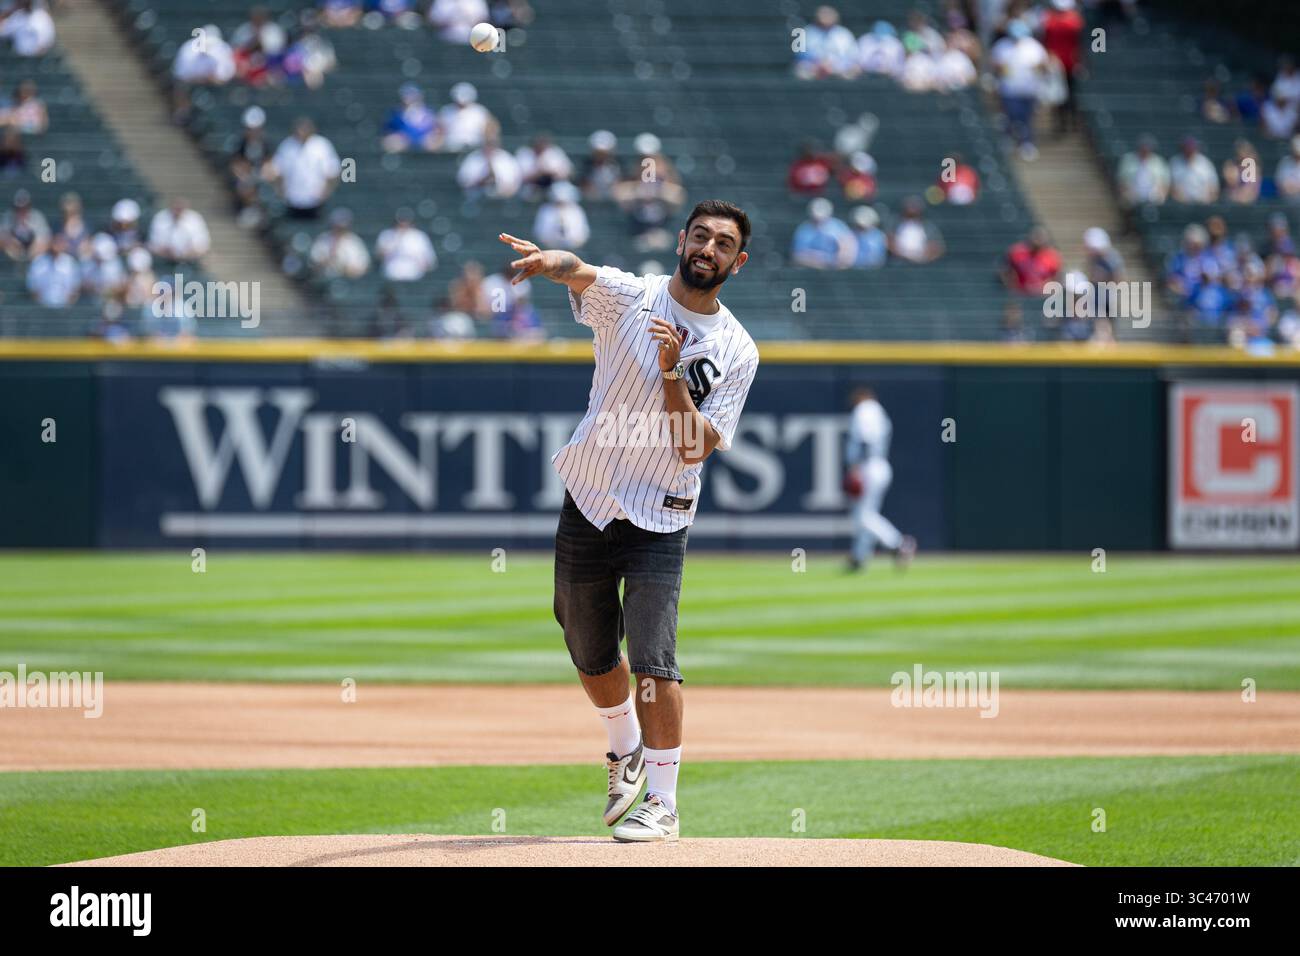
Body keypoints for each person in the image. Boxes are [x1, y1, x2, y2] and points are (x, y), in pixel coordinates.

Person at [498, 199, 760, 844]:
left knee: (654, 657)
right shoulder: (632, 296)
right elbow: (578, 270)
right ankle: (625, 747)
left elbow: (694, 446)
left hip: (660, 514)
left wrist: (672, 371)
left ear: (738, 261)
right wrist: (546, 261)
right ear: (680, 240)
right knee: (588, 650)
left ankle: (664, 804)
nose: (708, 248)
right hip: (589, 494)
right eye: (700, 236)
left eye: (722, 243)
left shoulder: (737, 349)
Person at [843, 387, 915, 572]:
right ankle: (859, 557)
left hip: (868, 466)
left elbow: (865, 439)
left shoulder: (864, 409)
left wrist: (856, 468)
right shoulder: (879, 411)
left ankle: (899, 543)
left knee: (863, 516)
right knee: (868, 513)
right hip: (880, 465)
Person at [269, 118, 341, 218]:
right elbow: (276, 171)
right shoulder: (287, 145)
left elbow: (332, 172)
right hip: (292, 199)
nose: (302, 132)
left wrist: (325, 193)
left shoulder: (322, 145)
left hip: (315, 200)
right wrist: (281, 191)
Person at [791, 197, 855, 269]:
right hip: (811, 272)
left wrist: (837, 260)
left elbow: (848, 251)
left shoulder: (838, 226)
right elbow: (798, 256)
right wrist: (821, 260)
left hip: (836, 270)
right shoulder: (804, 230)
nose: (819, 221)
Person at [374, 209, 436, 281]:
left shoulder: (420, 236)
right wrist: (396, 239)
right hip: (391, 276)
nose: (403, 223)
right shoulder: (386, 235)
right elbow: (379, 256)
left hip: (414, 277)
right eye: (401, 220)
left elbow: (430, 261)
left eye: (406, 220)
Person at [310, 207, 370, 278]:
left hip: (350, 281)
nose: (339, 229)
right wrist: (328, 258)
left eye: (342, 227)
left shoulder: (355, 241)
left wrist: (346, 269)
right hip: (326, 280)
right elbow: (314, 263)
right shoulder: (323, 239)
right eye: (337, 226)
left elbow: (364, 267)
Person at [1116, 135, 1170, 206]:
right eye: (1144, 145)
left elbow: (1165, 183)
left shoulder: (1158, 161)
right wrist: (1127, 193)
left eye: (1148, 146)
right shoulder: (1128, 159)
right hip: (1132, 197)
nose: (1146, 148)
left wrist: (1161, 195)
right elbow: (1121, 181)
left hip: (1154, 198)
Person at [1169, 137, 1220, 204]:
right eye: (1187, 148)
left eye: (1191, 148)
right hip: (1181, 205)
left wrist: (1207, 200)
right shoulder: (1175, 162)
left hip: (1203, 204)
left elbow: (1214, 188)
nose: (1189, 151)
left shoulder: (1205, 163)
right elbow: (1170, 187)